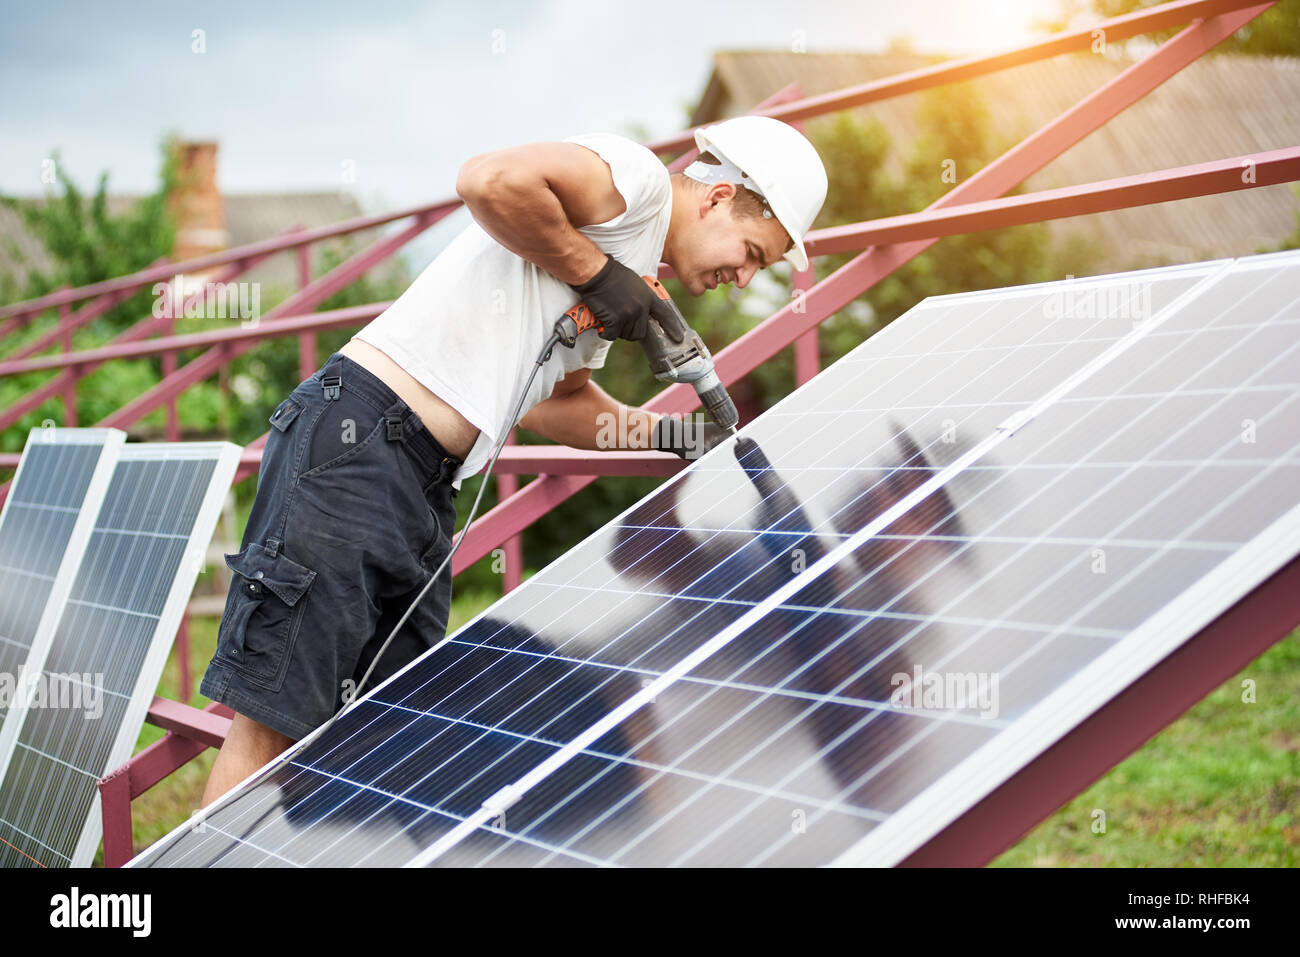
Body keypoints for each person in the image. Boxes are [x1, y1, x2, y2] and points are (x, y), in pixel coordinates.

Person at [198, 115, 828, 806]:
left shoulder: (635, 266)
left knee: (389, 736)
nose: (743, 277)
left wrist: (672, 437)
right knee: (271, 727)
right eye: (752, 251)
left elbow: (549, 405)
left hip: (423, 481)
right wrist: (597, 273)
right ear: (716, 199)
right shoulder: (639, 183)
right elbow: (487, 180)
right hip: (360, 443)